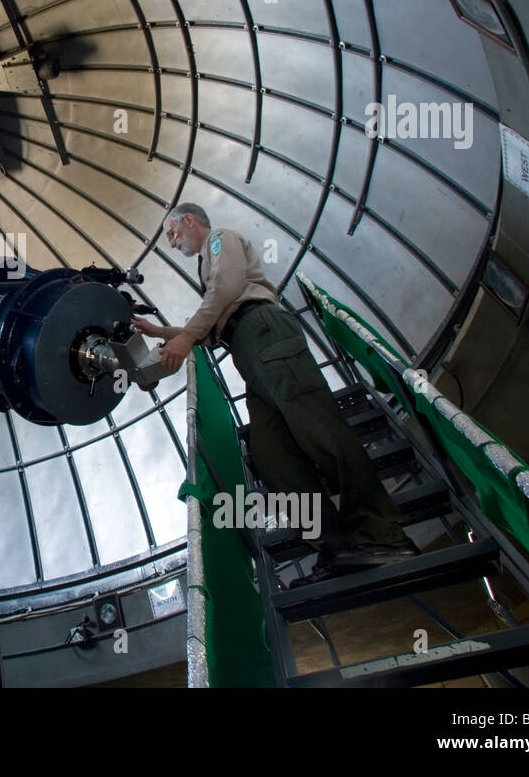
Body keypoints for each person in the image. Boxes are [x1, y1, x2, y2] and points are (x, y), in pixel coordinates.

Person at [133, 203, 417, 583]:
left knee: (320, 430)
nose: (172, 242)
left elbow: (229, 290)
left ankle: (383, 534)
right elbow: (215, 320)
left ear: (189, 220)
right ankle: (335, 544)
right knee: (270, 455)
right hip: (247, 352)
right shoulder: (208, 269)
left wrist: (184, 337)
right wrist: (162, 333)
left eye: (172, 233)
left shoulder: (220, 241)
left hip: (264, 331)